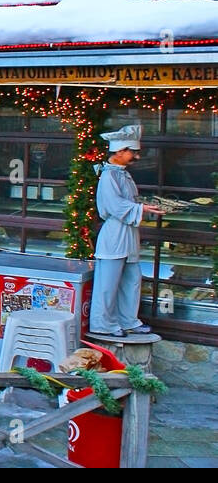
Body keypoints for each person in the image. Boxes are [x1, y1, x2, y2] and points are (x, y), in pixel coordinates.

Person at [89, 123, 164, 337]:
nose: (137, 157)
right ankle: (103, 324)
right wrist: (140, 208)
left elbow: (129, 202)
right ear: (120, 152)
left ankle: (129, 320)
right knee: (108, 284)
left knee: (132, 279)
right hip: (114, 234)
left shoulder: (123, 174)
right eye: (133, 153)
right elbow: (114, 206)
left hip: (129, 233)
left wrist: (145, 205)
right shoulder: (108, 176)